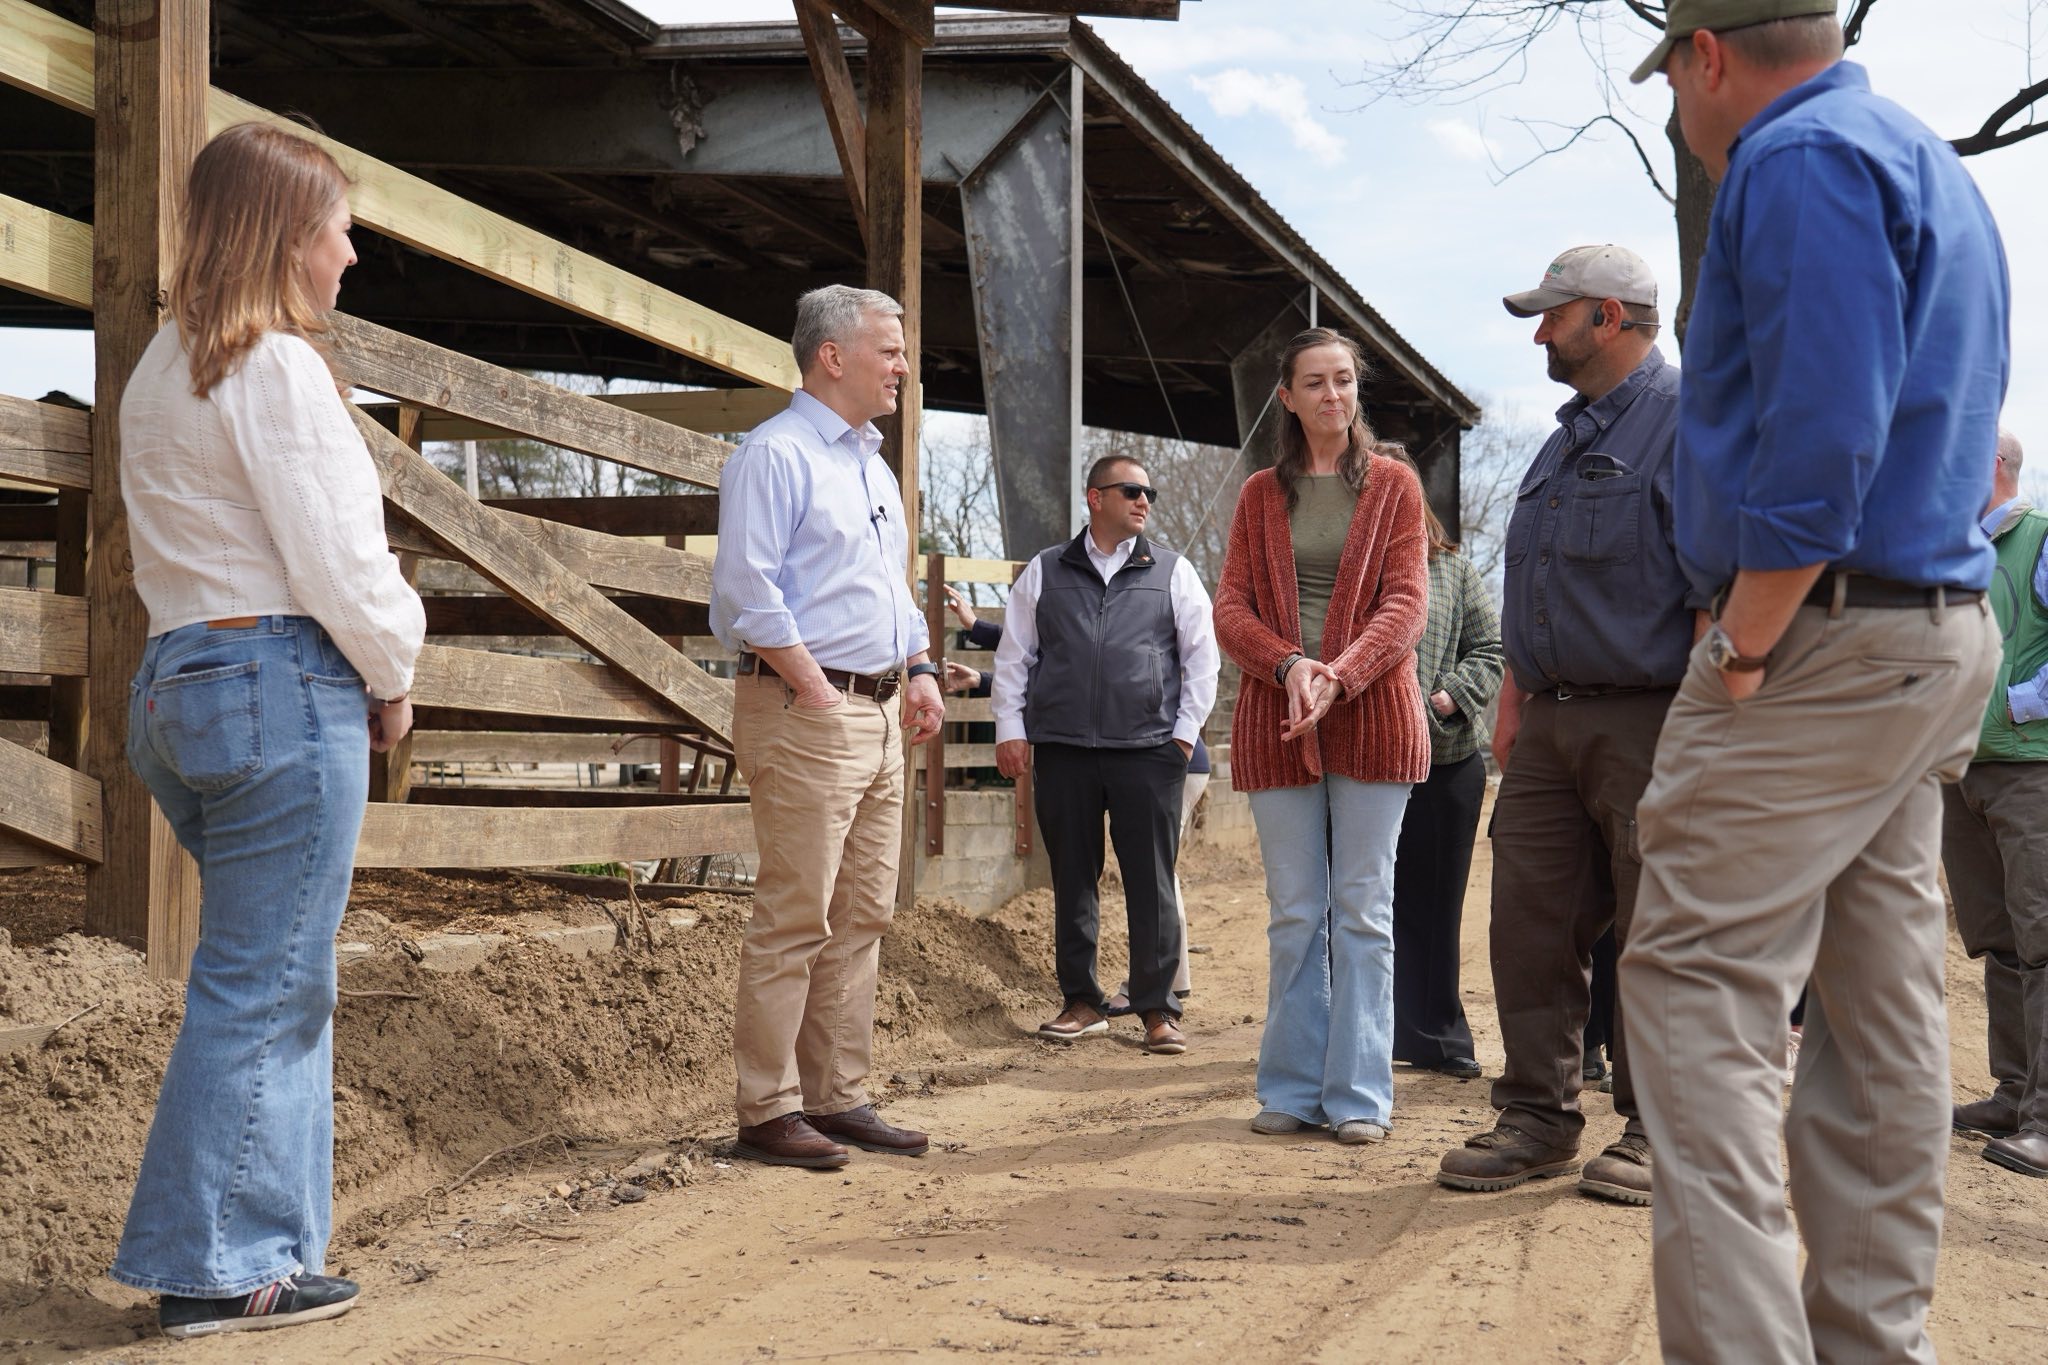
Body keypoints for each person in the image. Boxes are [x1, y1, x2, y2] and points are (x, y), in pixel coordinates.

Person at [1624, 5, 2009, 1359]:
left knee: (1694, 984)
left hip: (1819, 641)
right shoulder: (1925, 159)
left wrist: (1740, 640)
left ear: (1707, 55)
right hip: (1928, 635)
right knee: (1878, 1005)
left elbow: (1825, 434)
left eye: (1672, 76)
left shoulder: (1798, 160)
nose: (1678, 108)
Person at [108, 123, 426, 1338]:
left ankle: (270, 1249)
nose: (349, 254)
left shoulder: (162, 361)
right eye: (338, 228)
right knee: (268, 980)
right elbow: (339, 557)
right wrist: (393, 667)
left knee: (270, 972)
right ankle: (219, 1265)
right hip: (274, 676)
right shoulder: (277, 368)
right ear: (291, 237)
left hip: (178, 679)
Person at [1436, 245, 1694, 1208]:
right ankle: (1539, 1115)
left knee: (1661, 933)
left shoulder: (1686, 425)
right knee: (1529, 925)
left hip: (1653, 717)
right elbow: (1531, 582)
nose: (1540, 332)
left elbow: (1718, 592)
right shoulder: (1563, 440)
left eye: (1554, 314)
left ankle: (1661, 1131)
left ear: (1611, 317)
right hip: (1549, 723)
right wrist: (1514, 703)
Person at [710, 284, 947, 1170]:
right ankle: (766, 1106)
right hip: (810, 707)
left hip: (880, 711)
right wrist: (813, 686)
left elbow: (887, 586)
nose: (903, 366)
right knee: (795, 912)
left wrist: (919, 670)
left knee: (860, 915)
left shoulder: (871, 463)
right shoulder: (775, 455)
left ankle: (837, 1094)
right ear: (832, 357)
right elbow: (747, 587)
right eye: (889, 350)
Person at [1213, 327, 1431, 1146]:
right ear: (1287, 396)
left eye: (1344, 380)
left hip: (1374, 718)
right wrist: (1289, 666)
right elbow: (1229, 607)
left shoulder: (1395, 486)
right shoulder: (1259, 495)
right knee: (1297, 912)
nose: (1332, 395)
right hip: (1277, 719)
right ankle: (1294, 1087)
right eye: (1315, 382)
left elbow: (1406, 603)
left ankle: (1360, 1096)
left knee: (1363, 911)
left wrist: (1338, 673)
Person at [990, 456, 1219, 1056]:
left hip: (1149, 751)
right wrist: (1010, 728)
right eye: (1131, 490)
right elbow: (1015, 657)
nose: (1144, 501)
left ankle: (1157, 1009)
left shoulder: (1173, 570)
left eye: (1150, 493)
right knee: (1073, 878)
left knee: (1151, 882)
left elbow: (1203, 658)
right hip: (1063, 749)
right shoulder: (1044, 572)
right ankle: (1082, 1002)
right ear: (1095, 497)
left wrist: (1184, 734)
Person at [943, 586, 1212, 1006]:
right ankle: (1167, 981)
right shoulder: (1066, 599)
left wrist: (978, 631)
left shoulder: (1147, 597)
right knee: (1157, 872)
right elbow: (1044, 655)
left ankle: (1165, 986)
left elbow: (1066, 659)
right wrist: (978, 640)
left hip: (1168, 760)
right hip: (1161, 756)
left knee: (1155, 873)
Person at [1945, 429, 2048, 1178]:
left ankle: (2047, 1119)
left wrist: (2016, 706)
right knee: (2000, 938)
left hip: (2030, 769)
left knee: (2044, 939)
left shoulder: (2040, 538)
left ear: (1992, 467)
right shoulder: (1952, 550)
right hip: (1962, 772)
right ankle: (2015, 1092)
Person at [1390, 486, 1503, 1082]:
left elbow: (1491, 647)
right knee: (1365, 904)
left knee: (1435, 907)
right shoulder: (1347, 570)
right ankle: (1366, 1032)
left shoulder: (1454, 569)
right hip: (1368, 764)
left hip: (1447, 762)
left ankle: (1435, 1036)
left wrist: (1449, 696)